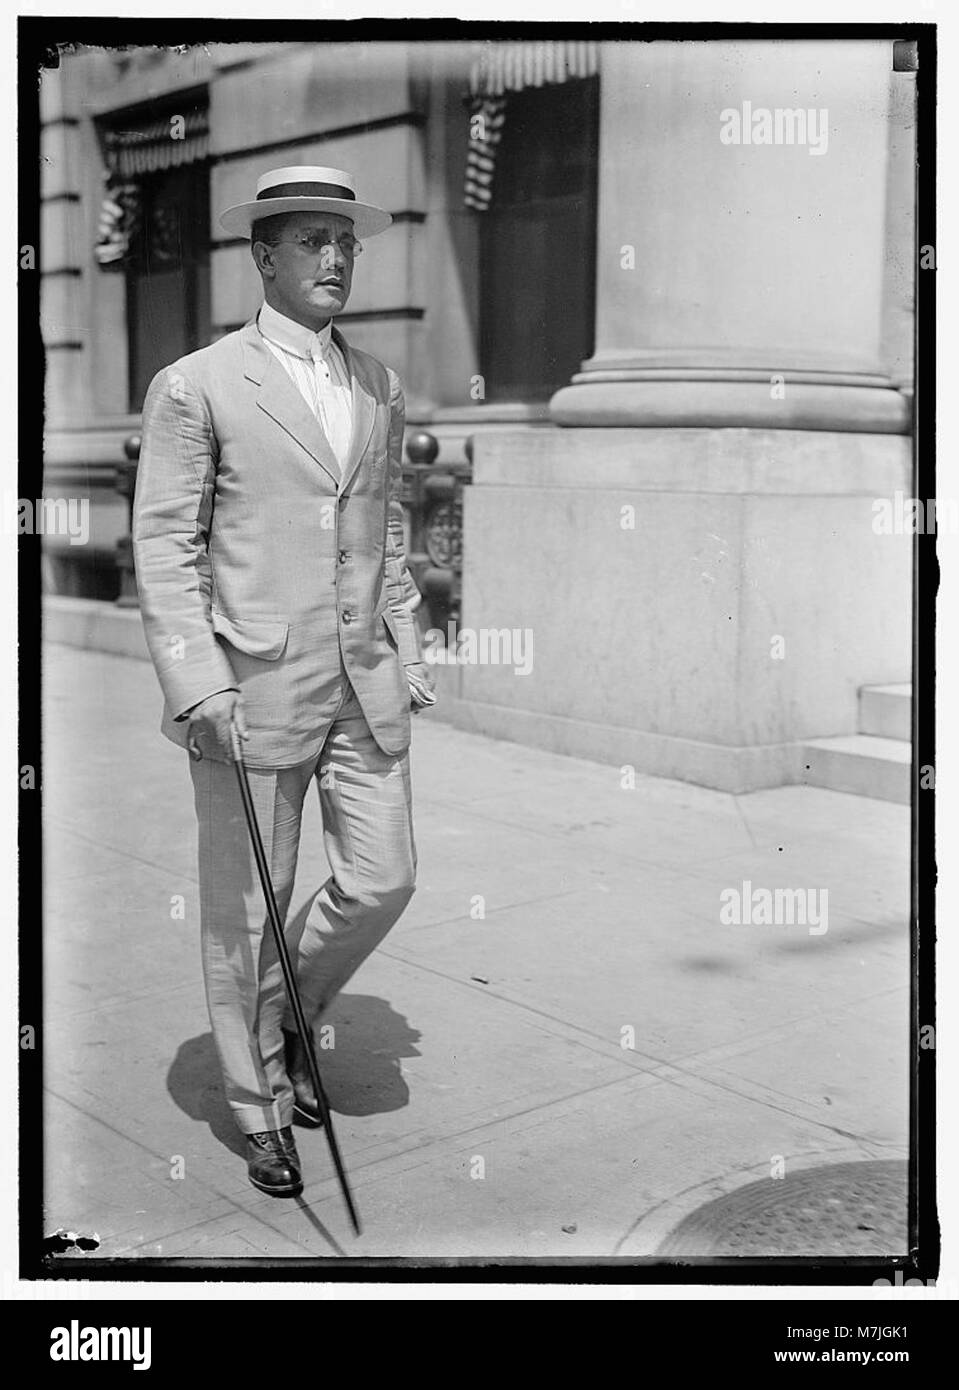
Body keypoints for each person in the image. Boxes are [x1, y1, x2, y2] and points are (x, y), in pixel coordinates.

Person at [133, 165, 434, 1195]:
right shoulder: (197, 383)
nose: (337, 258)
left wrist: (409, 642)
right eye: (312, 240)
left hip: (364, 679)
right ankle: (258, 1100)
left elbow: (384, 531)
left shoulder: (379, 384)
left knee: (383, 875)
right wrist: (195, 681)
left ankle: (290, 1015)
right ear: (264, 255)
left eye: (346, 241)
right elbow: (166, 546)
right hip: (249, 685)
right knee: (245, 910)